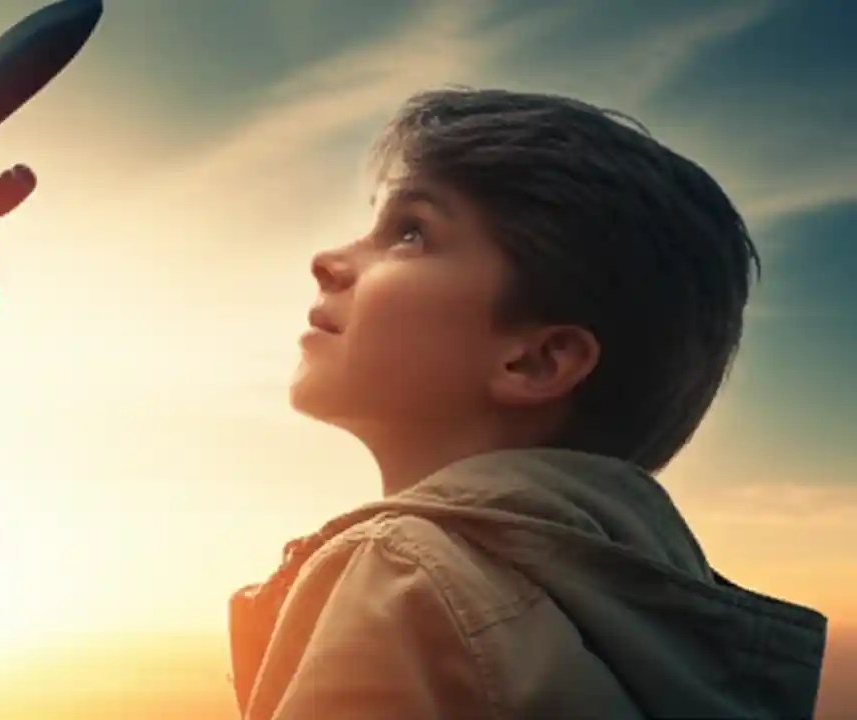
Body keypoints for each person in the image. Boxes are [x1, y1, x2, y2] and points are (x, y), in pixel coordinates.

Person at [228, 87, 828, 719]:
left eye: (411, 233)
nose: (326, 261)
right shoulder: (648, 609)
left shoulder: (405, 576)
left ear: (535, 362)